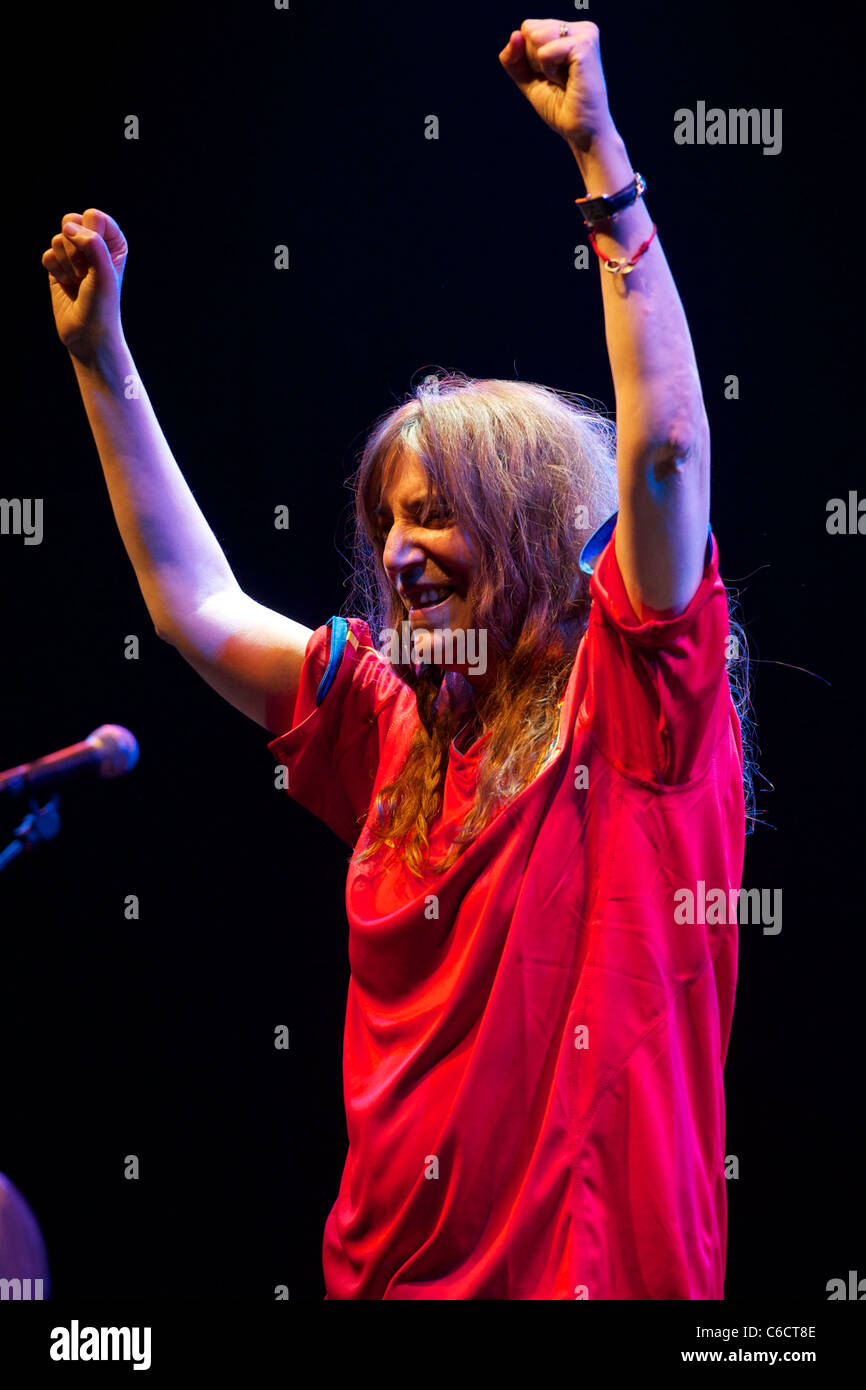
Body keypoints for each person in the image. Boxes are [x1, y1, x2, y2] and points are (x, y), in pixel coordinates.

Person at [41, 20, 748, 1299]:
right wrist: (103, 363)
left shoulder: (634, 713)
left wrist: (599, 154)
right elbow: (198, 603)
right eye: (387, 521)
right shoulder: (391, 721)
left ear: (536, 534)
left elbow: (663, 464)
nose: (402, 551)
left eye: (436, 514)